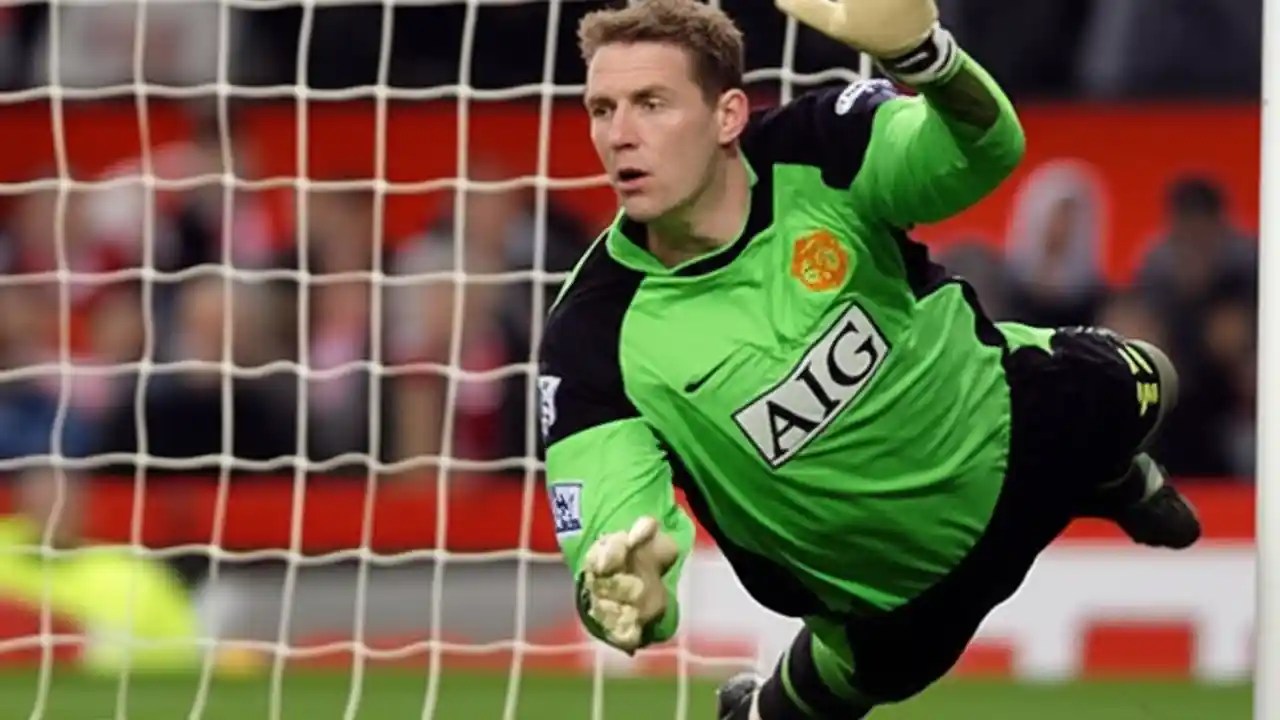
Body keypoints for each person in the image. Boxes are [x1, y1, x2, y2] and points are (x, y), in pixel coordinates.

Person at [535, 0, 1201, 718]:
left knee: (1155, 378)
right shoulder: (591, 337)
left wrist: (930, 63)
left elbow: (980, 154)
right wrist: (625, 599)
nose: (619, 136)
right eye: (601, 109)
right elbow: (614, 533)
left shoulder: (822, 144)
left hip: (1017, 427)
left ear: (727, 116)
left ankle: (1109, 474)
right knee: (835, 696)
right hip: (888, 598)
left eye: (651, 104)